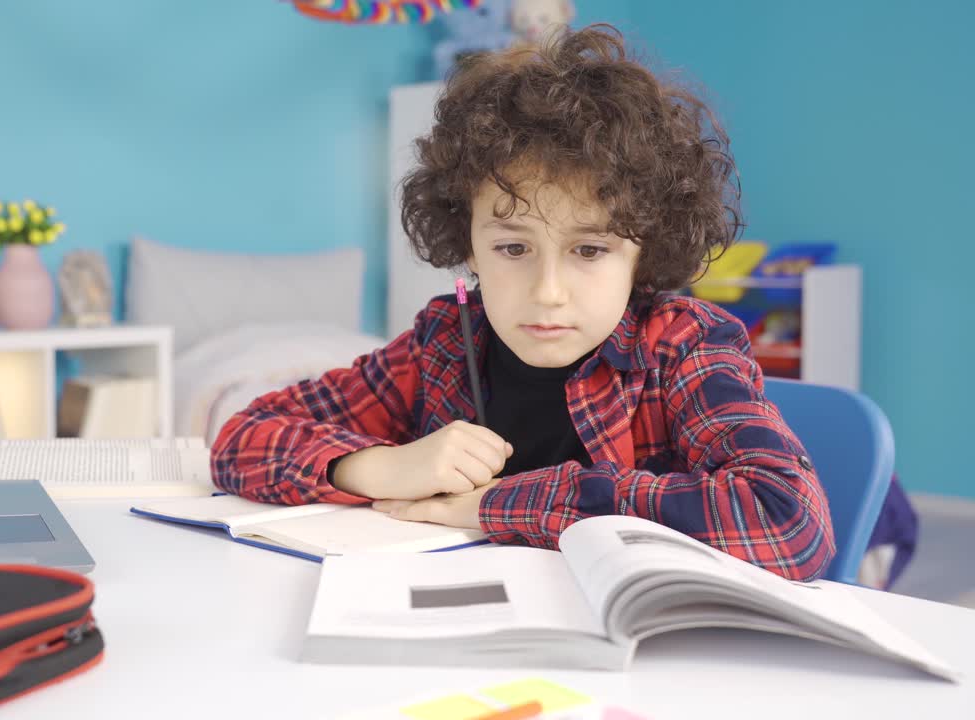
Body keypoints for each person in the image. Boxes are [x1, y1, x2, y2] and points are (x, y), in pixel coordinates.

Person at [211, 24, 835, 581]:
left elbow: (787, 521)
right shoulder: (447, 342)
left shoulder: (681, 345)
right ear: (469, 244)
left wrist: (495, 505)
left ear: (642, 253)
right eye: (513, 248)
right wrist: (376, 468)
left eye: (589, 251)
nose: (547, 292)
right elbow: (243, 437)